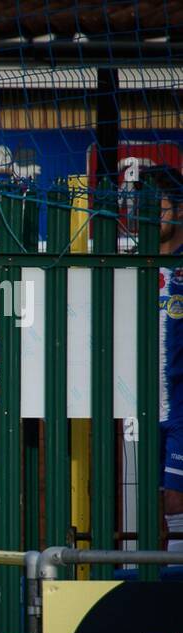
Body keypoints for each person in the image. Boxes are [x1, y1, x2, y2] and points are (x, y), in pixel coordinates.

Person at [143, 166, 183, 560]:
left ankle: (174, 589)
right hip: (143, 406)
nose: (152, 216)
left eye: (161, 207)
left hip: (180, 406)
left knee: (175, 499)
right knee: (151, 505)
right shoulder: (138, 266)